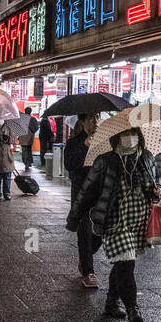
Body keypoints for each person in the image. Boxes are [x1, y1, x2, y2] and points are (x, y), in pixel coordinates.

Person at [66, 125, 161, 322]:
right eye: (125, 134)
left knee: (122, 263)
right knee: (127, 263)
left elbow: (160, 184)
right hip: (114, 222)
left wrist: (159, 191)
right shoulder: (105, 161)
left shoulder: (147, 157)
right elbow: (86, 192)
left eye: (134, 134)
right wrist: (74, 218)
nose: (130, 138)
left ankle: (111, 302)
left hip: (139, 221)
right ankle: (133, 308)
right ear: (116, 137)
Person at [64, 114, 101, 288]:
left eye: (98, 117)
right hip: (82, 192)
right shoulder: (74, 142)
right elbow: (70, 165)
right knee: (85, 230)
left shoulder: (104, 140)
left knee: (101, 231)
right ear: (83, 122)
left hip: (101, 191)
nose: (96, 122)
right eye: (92, 118)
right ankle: (88, 272)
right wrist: (84, 147)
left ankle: (85, 257)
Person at [0, 122, 15, 201]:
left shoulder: (9, 126)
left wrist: (8, 139)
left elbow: (14, 140)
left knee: (7, 176)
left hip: (6, 153)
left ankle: (7, 193)